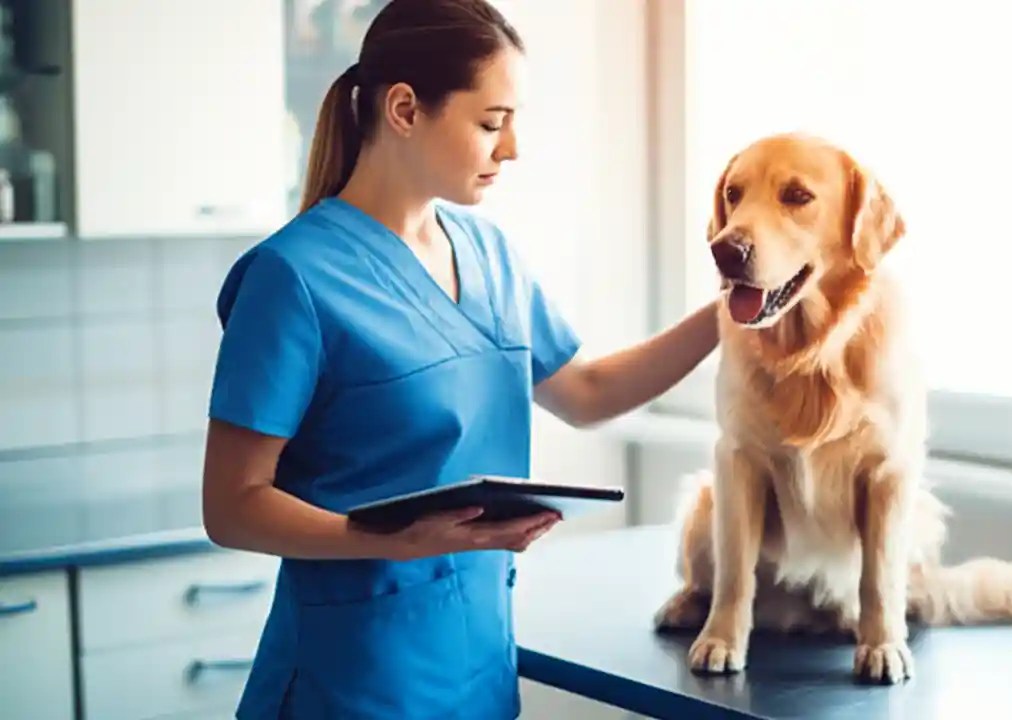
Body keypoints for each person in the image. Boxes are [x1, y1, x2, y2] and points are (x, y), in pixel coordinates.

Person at [200, 1, 718, 718]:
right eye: (491, 122)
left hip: (478, 673)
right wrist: (390, 539)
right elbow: (231, 506)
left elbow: (587, 391)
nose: (511, 150)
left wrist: (728, 315)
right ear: (406, 110)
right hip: (351, 683)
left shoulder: (492, 255)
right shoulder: (293, 278)